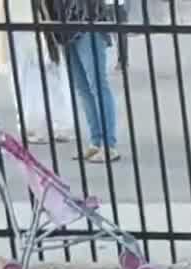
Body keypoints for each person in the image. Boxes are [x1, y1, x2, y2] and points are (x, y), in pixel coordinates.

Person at [0, 0, 75, 144]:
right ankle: (34, 125)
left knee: (48, 69)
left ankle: (56, 123)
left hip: (38, 16)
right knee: (27, 73)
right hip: (18, 18)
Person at [50, 0, 120, 161]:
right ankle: (95, 142)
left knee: (97, 85)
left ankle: (109, 145)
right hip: (64, 27)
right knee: (82, 88)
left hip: (87, 19)